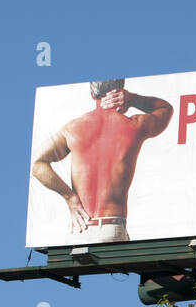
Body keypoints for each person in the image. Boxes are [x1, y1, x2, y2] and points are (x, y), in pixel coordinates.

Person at [31, 79, 173, 243]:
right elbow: (165, 109)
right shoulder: (134, 126)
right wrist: (133, 98)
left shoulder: (72, 129)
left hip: (79, 229)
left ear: (92, 95)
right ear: (121, 90)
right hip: (111, 227)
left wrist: (70, 198)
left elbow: (37, 164)